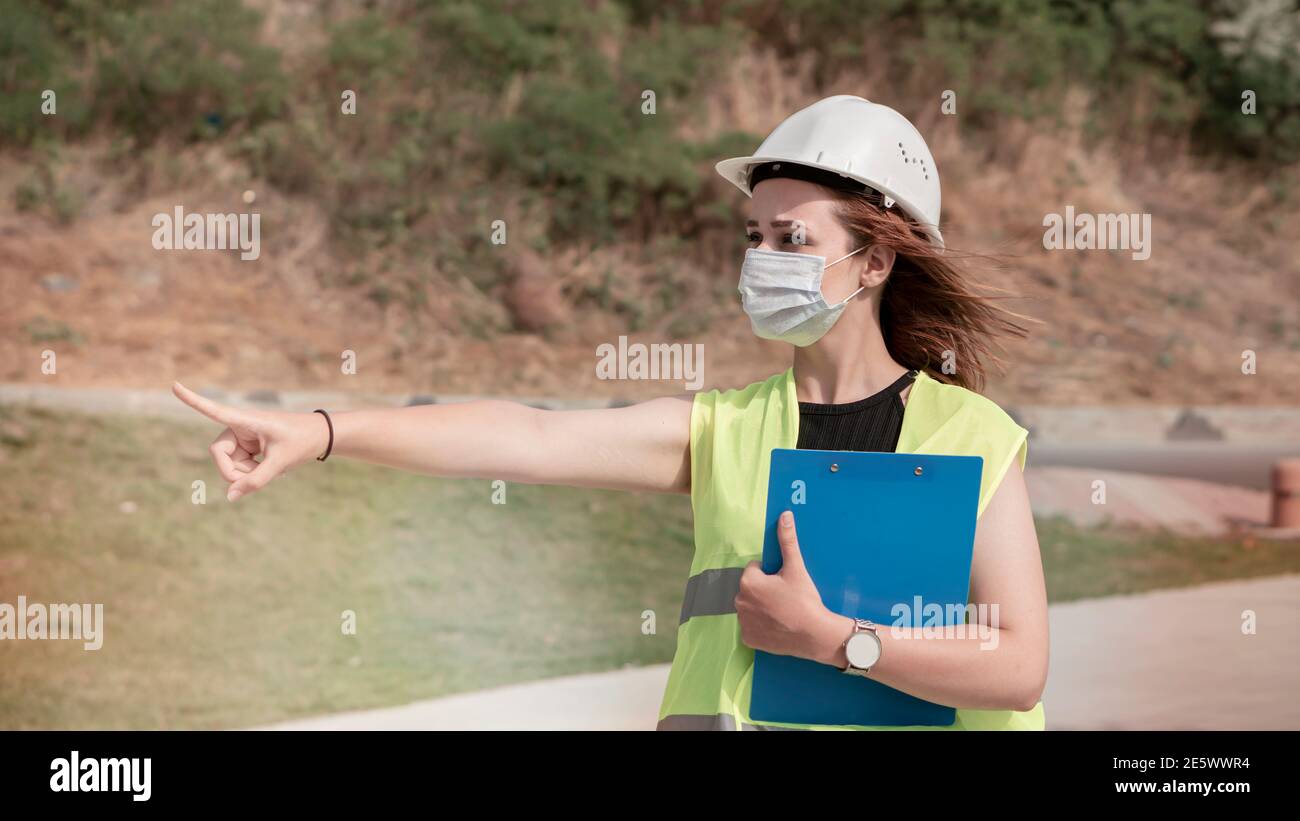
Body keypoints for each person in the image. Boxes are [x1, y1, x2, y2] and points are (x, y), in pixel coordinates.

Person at [174, 95, 1048, 731]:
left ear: (873, 261)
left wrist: (834, 641)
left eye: (794, 238)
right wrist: (322, 431)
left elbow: (1017, 667)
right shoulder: (724, 430)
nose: (764, 259)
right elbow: (526, 434)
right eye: (754, 236)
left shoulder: (971, 439)